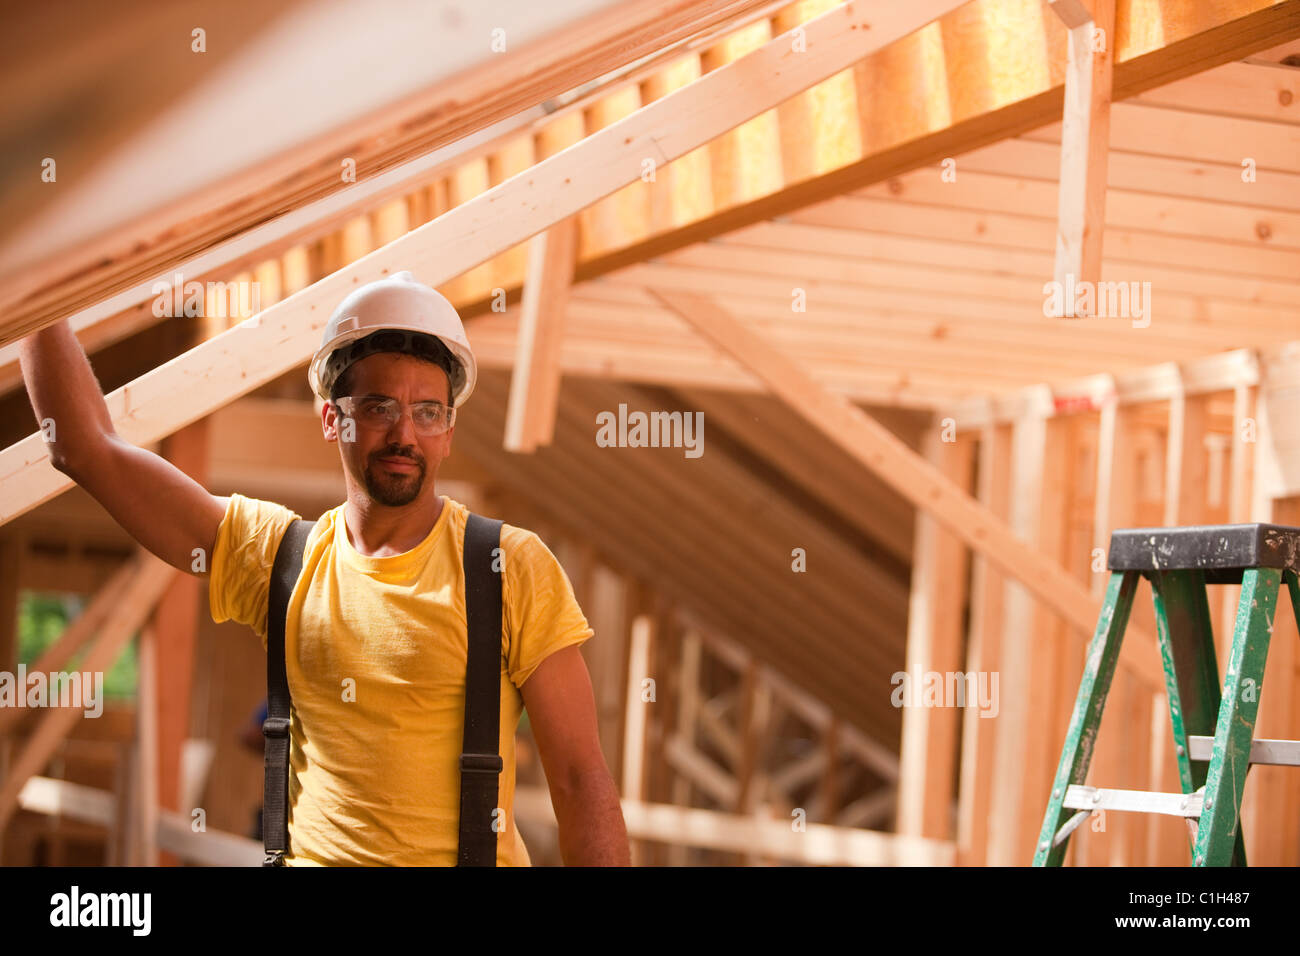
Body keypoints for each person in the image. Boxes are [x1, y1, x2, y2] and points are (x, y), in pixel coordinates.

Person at [18, 271, 630, 866]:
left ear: (447, 432)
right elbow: (82, 445)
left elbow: (580, 782)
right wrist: (34, 268)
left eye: (427, 412)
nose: (404, 434)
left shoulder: (506, 567)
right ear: (332, 417)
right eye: (378, 406)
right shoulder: (278, 559)